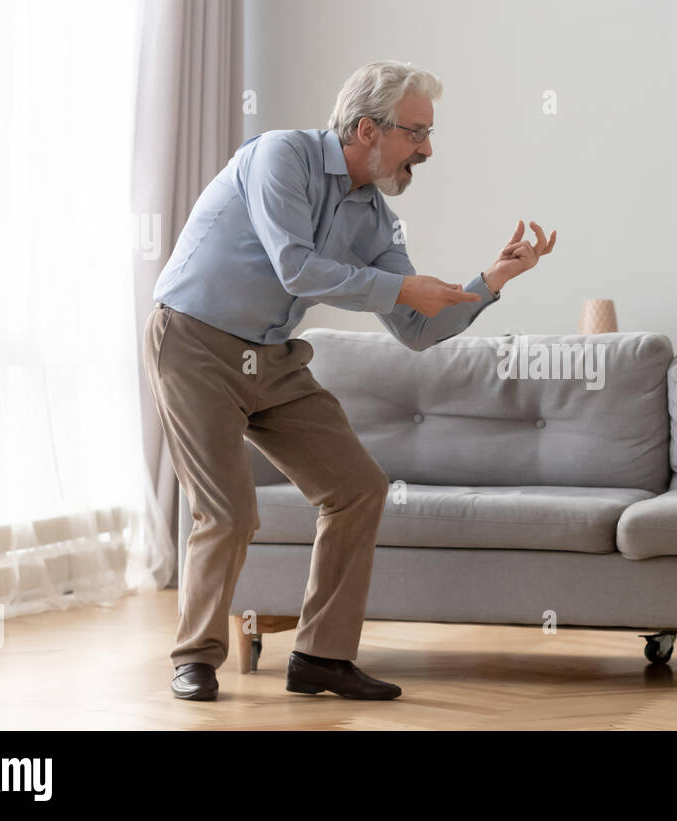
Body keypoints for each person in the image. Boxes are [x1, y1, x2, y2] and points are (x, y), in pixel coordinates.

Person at [143, 59, 556, 701]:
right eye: (417, 132)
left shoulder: (374, 217)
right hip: (195, 342)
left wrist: (492, 280)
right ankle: (195, 657)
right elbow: (295, 267)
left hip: (272, 357)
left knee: (358, 487)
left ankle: (320, 657)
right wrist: (403, 287)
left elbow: (415, 327)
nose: (427, 149)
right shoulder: (281, 157)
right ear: (368, 129)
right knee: (228, 511)